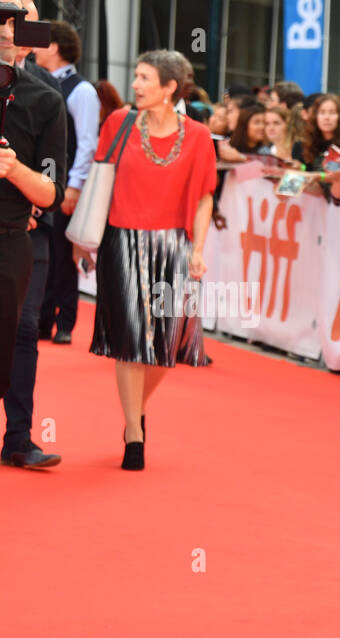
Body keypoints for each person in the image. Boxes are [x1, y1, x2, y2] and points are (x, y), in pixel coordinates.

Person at [87, 50, 216, 471]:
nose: (136, 84)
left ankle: (134, 405)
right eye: (137, 76)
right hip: (120, 240)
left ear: (169, 87)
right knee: (130, 341)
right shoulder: (118, 123)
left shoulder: (197, 135)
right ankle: (133, 433)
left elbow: (204, 196)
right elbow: (99, 176)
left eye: (145, 78)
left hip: (171, 246)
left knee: (169, 341)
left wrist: (197, 248)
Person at [0, 1, 67, 469]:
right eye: (5, 12)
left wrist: (14, 171)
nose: (11, 23)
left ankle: (18, 437)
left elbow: (51, 190)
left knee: (20, 333)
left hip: (19, 235)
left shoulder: (46, 100)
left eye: (21, 15)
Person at [32, 20, 94, 346]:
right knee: (44, 251)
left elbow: (86, 143)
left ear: (54, 47)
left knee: (64, 254)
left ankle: (65, 320)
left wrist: (74, 186)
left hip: (66, 186)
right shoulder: (34, 81)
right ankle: (41, 319)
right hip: (42, 182)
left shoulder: (82, 90)